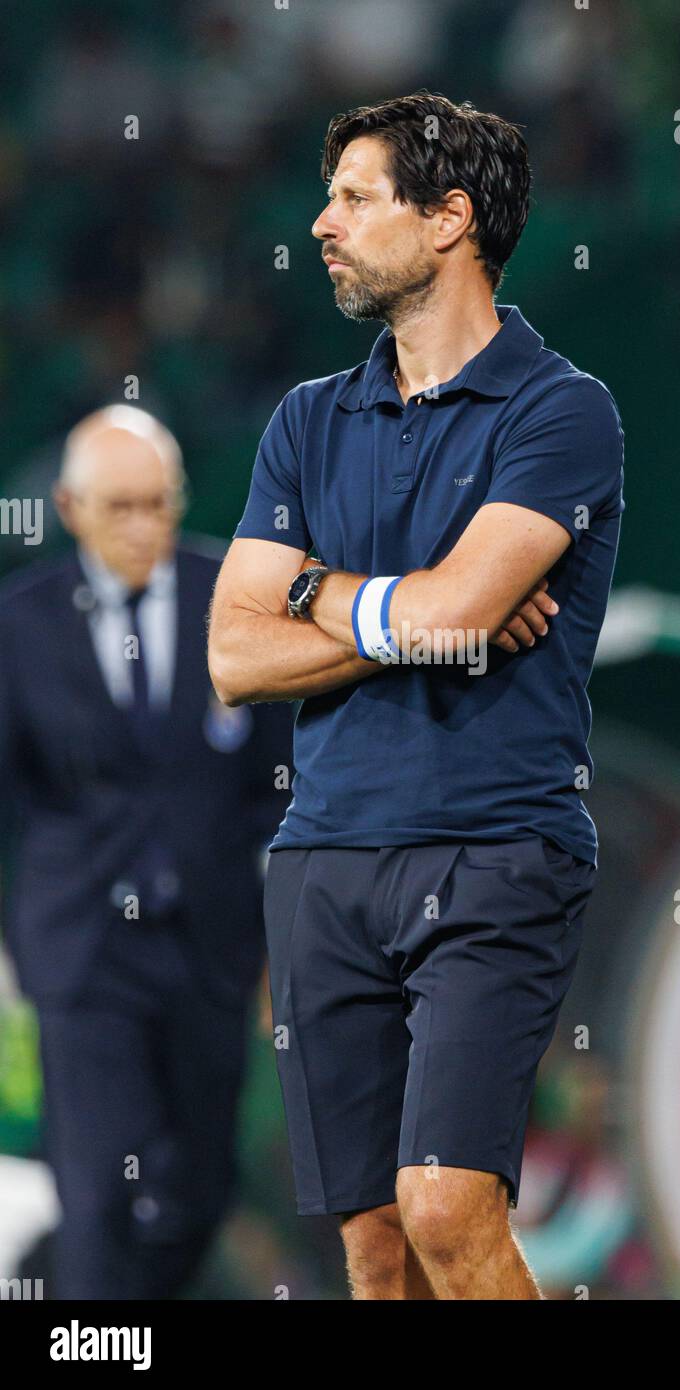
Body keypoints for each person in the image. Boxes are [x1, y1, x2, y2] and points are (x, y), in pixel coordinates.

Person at [208, 91, 625, 1300]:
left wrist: (315, 595)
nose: (319, 223)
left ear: (448, 219)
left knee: (448, 1208)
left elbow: (440, 615)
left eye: (352, 197)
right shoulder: (301, 419)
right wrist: (419, 614)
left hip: (495, 849)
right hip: (323, 857)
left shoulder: (562, 408)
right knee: (372, 1244)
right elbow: (235, 656)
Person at [0, 405, 288, 1298]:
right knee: (97, 1186)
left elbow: (279, 779)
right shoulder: (19, 625)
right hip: (82, 949)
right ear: (71, 508)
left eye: (157, 503)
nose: (142, 525)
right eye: (119, 506)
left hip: (207, 945)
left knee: (200, 1186)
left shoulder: (236, 601)